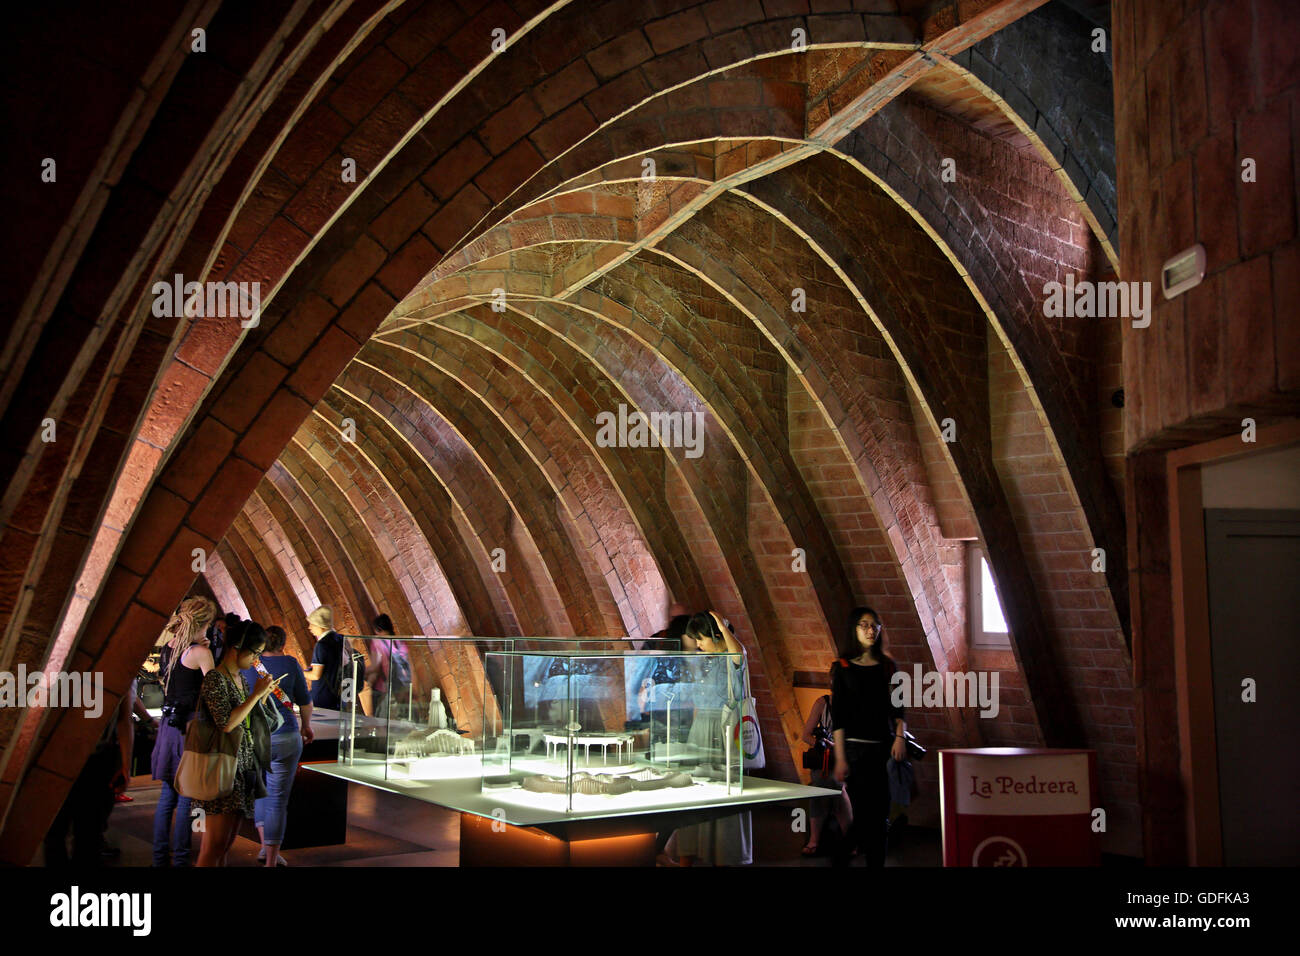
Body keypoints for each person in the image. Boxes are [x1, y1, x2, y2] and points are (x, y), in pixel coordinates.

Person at [669, 610, 753, 866]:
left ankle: (725, 854)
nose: (698, 644)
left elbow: (740, 653)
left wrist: (720, 625)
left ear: (716, 635)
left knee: (724, 793)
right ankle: (688, 854)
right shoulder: (703, 660)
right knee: (693, 795)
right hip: (700, 730)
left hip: (722, 729)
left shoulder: (730, 659)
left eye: (702, 638)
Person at [193, 620, 276, 867]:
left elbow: (244, 718)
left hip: (240, 769)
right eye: (255, 653)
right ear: (237, 647)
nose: (256, 660)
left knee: (226, 844)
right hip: (220, 769)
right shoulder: (215, 679)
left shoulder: (240, 678)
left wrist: (260, 699)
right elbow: (226, 723)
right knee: (213, 847)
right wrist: (255, 696)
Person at [831, 606, 907, 867]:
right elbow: (838, 718)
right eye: (864, 625)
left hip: (882, 749)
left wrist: (900, 737)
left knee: (881, 815)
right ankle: (841, 857)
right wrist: (840, 759)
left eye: (874, 625)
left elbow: (899, 709)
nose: (870, 630)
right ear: (854, 629)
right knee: (863, 815)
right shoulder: (842, 668)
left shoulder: (887, 667)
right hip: (855, 750)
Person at [149, 596, 216, 866]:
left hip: (168, 727)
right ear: (206, 623)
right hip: (190, 728)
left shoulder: (169, 647)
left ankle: (159, 858)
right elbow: (215, 692)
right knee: (187, 797)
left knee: (168, 796)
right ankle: (181, 860)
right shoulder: (201, 653)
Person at [44, 681, 135, 866]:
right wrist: (125, 764)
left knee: (59, 833)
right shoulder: (116, 670)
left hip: (63, 759)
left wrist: (125, 764)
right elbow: (124, 719)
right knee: (86, 834)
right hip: (95, 760)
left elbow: (124, 719)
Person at [242, 625, 312, 867]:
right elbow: (305, 701)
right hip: (285, 736)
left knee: (260, 792)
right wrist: (306, 726)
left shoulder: (250, 664)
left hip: (254, 737)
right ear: (283, 643)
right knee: (277, 801)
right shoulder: (291, 664)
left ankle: (264, 847)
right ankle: (272, 860)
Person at [799, 684, 852, 856]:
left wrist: (837, 746)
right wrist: (821, 744)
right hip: (825, 760)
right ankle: (814, 840)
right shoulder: (823, 703)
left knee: (836, 784)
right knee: (820, 784)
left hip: (847, 758)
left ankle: (849, 840)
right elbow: (806, 734)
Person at [304, 606, 360, 711]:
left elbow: (315, 675)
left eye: (312, 624)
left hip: (323, 699)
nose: (309, 627)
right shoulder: (341, 639)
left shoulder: (321, 645)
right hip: (340, 697)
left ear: (321, 625)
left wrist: (299, 672)